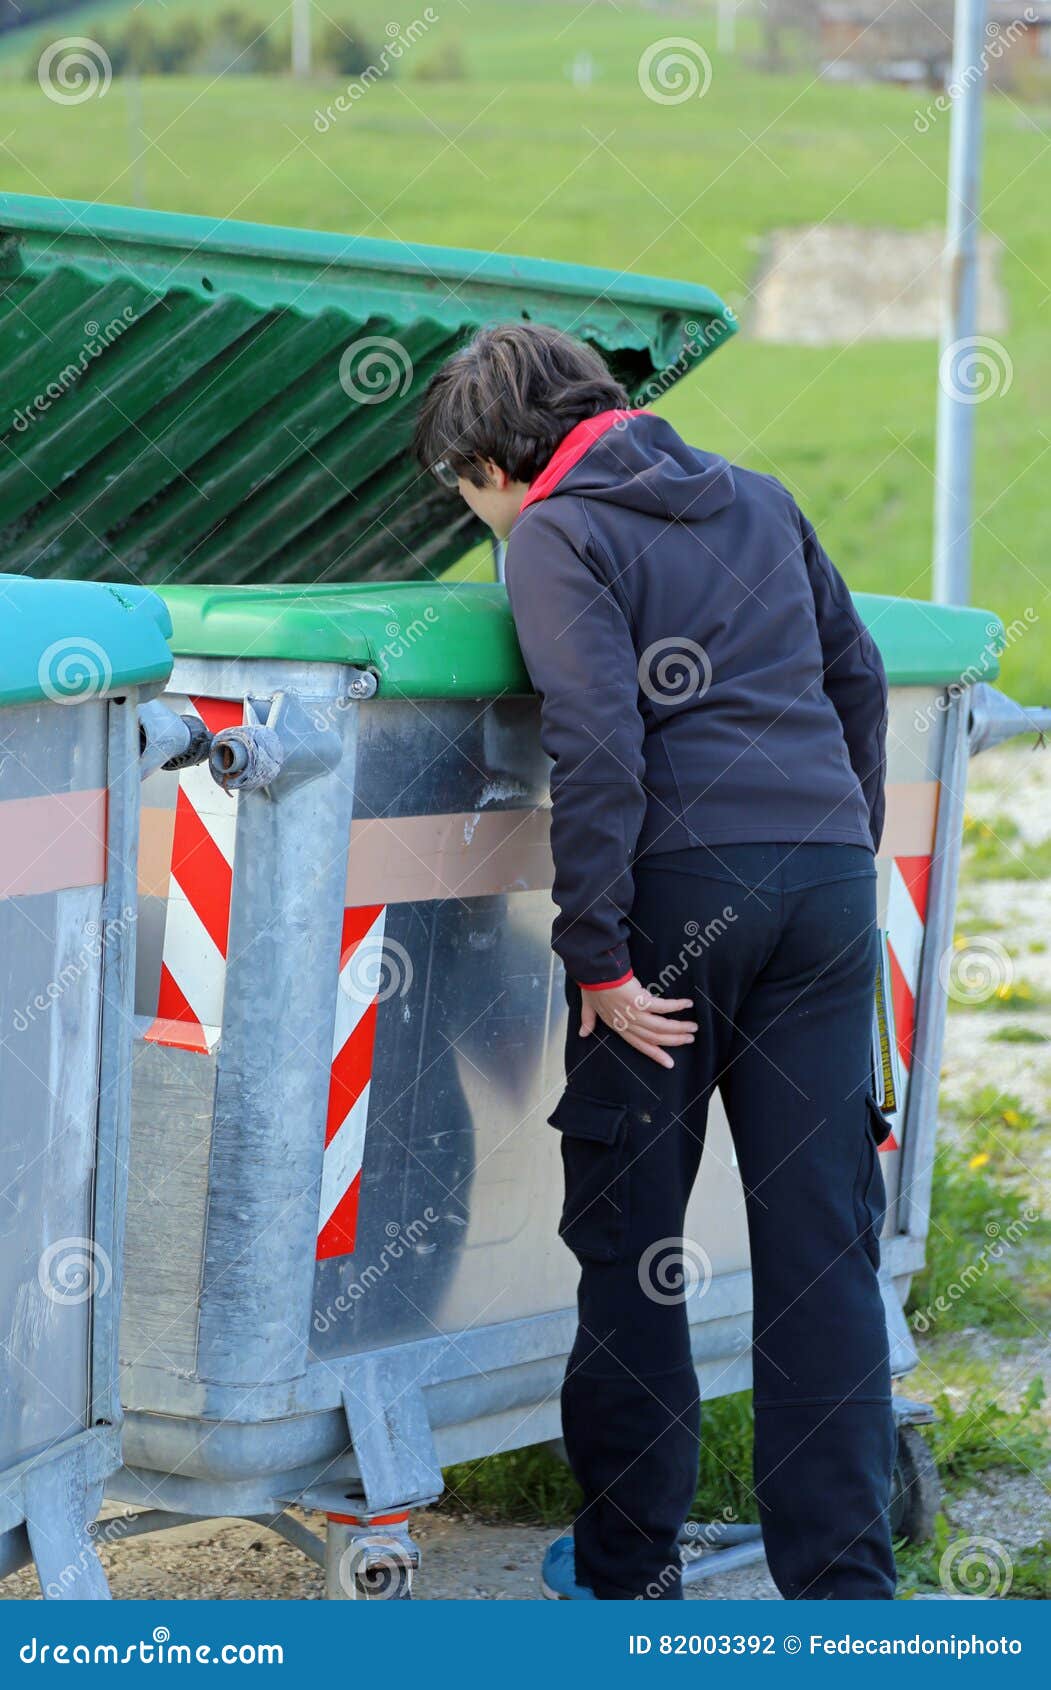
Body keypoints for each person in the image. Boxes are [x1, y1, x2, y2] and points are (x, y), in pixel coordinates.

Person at [413, 323, 896, 1601]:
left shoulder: (558, 533)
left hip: (676, 913)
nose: (475, 517)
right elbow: (859, 675)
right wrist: (841, 840)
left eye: (464, 492)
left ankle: (626, 1567)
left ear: (493, 460)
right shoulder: (759, 495)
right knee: (819, 1246)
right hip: (825, 887)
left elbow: (597, 740)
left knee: (635, 1241)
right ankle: (845, 1593)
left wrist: (596, 954)